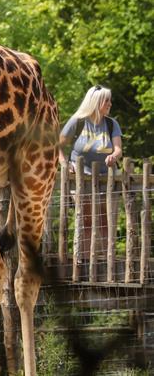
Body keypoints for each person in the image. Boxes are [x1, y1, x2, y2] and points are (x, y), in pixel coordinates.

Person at [59, 84, 124, 262]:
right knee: (86, 218)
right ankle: (83, 260)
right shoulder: (78, 121)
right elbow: (57, 145)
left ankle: (104, 260)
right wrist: (65, 164)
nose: (110, 104)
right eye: (107, 100)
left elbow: (118, 149)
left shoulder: (111, 124)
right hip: (82, 180)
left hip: (106, 180)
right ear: (96, 102)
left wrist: (113, 155)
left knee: (105, 220)